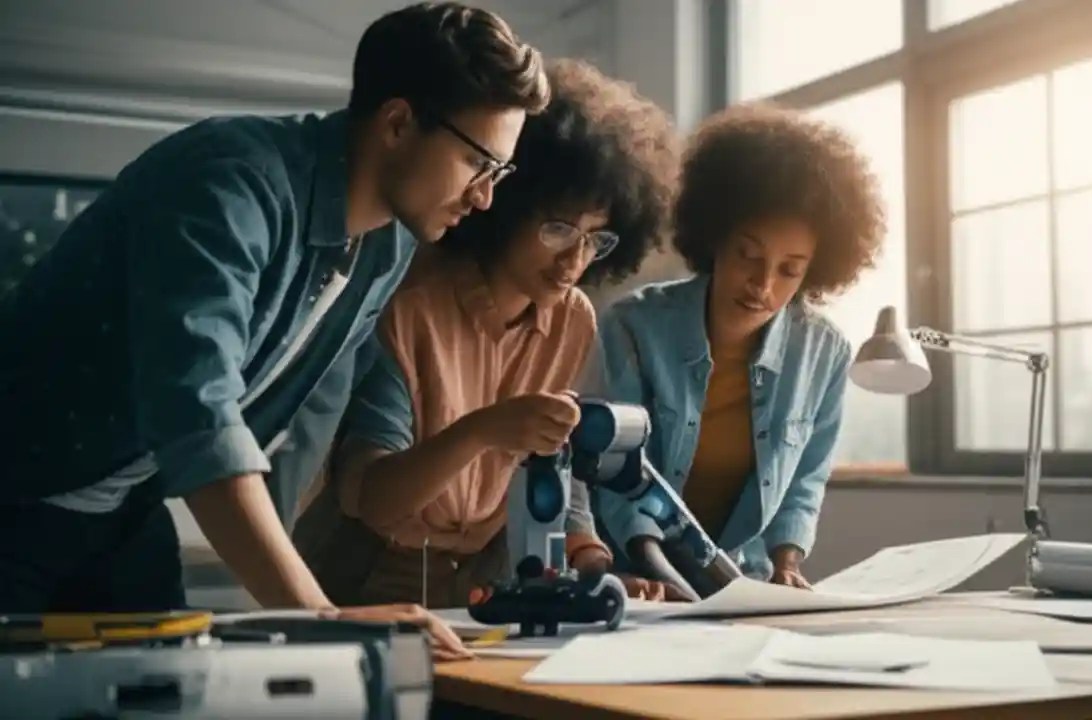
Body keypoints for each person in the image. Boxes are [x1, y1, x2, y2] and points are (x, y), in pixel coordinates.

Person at [0, 1, 548, 659]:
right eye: (480, 164)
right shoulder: (229, 181)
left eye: (501, 174)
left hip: (124, 518)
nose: (486, 196)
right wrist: (321, 614)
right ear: (399, 123)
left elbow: (303, 421)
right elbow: (197, 419)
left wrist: (301, 598)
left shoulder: (385, 248)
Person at [291, 59, 681, 607]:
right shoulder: (407, 304)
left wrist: (592, 561)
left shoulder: (574, 318)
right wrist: (482, 431)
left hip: (483, 571)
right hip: (364, 566)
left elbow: (558, 461)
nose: (575, 258)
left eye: (597, 239)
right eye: (558, 228)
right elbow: (372, 498)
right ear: (503, 203)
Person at [587, 104, 886, 593]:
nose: (762, 284)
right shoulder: (635, 328)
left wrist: (786, 563)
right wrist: (653, 568)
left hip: (741, 584)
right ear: (716, 235)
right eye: (748, 255)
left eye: (790, 270)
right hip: (635, 581)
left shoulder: (824, 354)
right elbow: (614, 471)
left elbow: (805, 481)